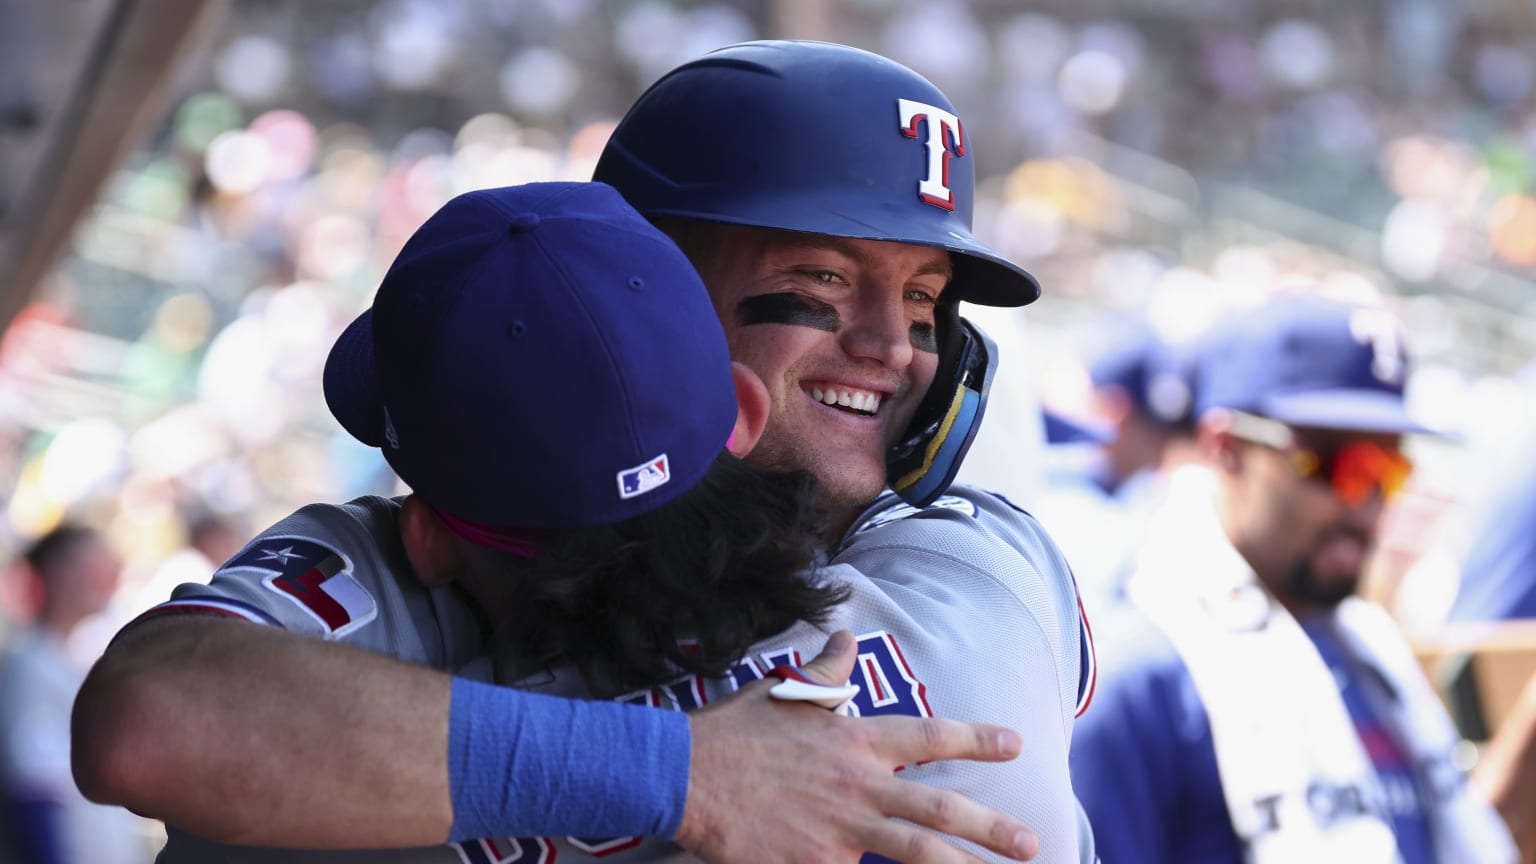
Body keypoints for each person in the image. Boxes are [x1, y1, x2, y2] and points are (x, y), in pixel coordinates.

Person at [73, 181, 1040, 864]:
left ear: (428, 534)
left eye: (921, 298)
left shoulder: (302, 805)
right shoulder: (978, 578)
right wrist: (693, 772)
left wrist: (675, 776)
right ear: (742, 412)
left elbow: (145, 722)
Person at [594, 39, 1094, 863]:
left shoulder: (973, 572)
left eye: (923, 298)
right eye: (824, 276)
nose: (891, 346)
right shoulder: (441, 561)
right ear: (640, 294)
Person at [1069, 293, 1523, 864]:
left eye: (1387, 471)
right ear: (1225, 448)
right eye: (1337, 466)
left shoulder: (1374, 655)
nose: (1365, 507)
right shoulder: (1137, 679)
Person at [0, 524, 149, 864]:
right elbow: (32, 794)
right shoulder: (32, 668)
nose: (111, 571)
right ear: (58, 572)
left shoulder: (64, 659)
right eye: (95, 561)